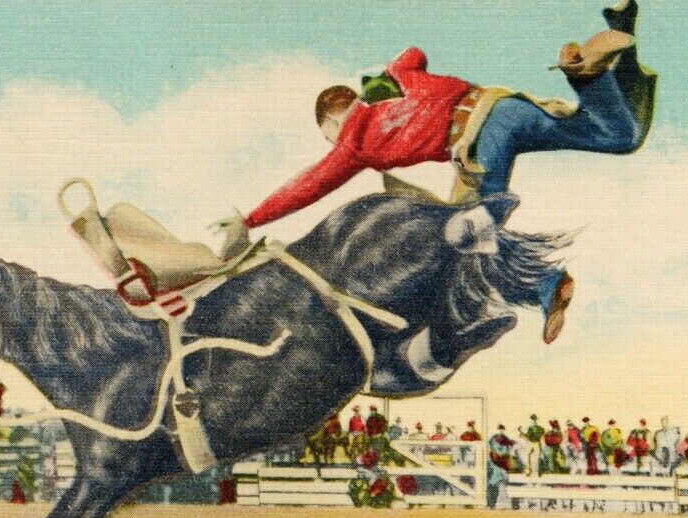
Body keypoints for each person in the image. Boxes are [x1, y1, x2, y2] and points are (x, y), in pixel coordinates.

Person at [217, 1, 656, 345]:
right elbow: (414, 53)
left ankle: (546, 283)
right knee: (617, 137)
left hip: (477, 142)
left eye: (327, 138)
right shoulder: (391, 81)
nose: (332, 147)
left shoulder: (351, 143)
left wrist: (251, 219)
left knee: (470, 243)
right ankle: (590, 70)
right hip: (501, 105)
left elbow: (306, 186)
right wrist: (388, 73)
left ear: (332, 123)